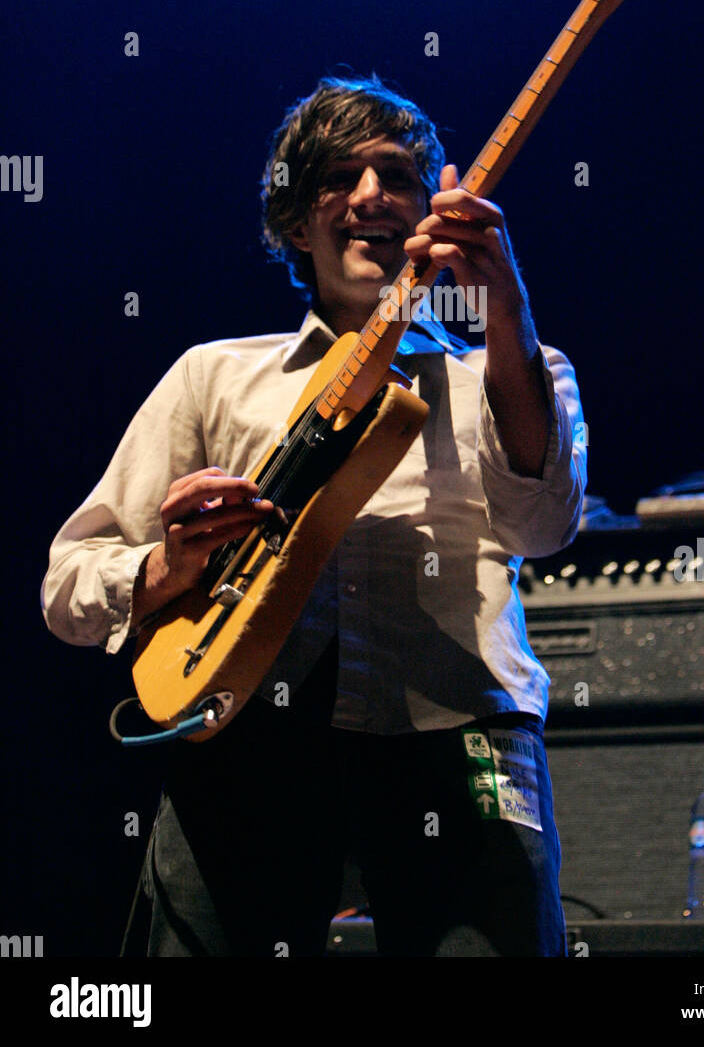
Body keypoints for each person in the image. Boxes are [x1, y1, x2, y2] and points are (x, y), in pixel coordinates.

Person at [42, 74, 586, 957]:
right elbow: (67, 584)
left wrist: (505, 309)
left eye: (399, 176)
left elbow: (544, 529)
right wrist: (167, 567)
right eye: (340, 176)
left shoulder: (516, 369)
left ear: (432, 212)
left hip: (455, 737)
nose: (372, 195)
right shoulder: (212, 378)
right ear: (298, 222)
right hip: (245, 738)